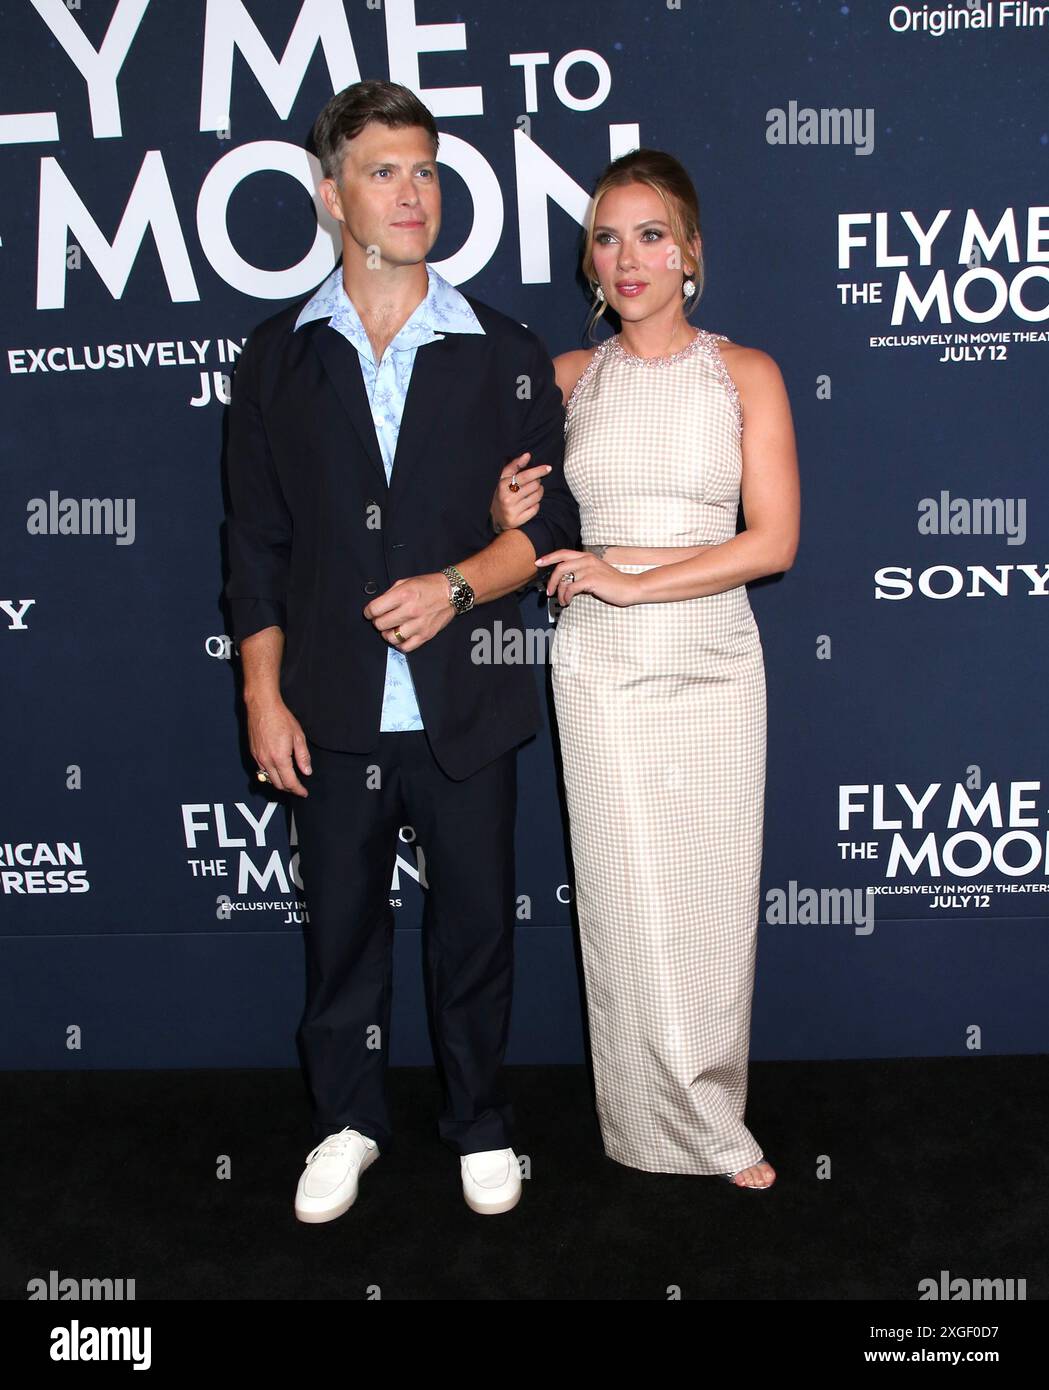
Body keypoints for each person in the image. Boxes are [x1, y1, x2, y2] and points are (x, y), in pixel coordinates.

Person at [223, 80, 579, 1222]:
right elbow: (256, 545)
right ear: (331, 195)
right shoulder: (277, 356)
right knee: (340, 938)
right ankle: (345, 1119)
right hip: (329, 706)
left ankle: (479, 1121)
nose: (412, 190)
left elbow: (553, 527)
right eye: (383, 171)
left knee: (475, 929)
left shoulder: (504, 349)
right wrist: (260, 697)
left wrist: (457, 582)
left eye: (424, 168)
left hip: (465, 701)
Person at [491, 149, 799, 1188]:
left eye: (651, 235)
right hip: (603, 670)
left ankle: (713, 1111)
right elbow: (518, 526)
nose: (628, 259)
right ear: (590, 258)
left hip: (713, 658)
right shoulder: (568, 379)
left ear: (691, 253)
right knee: (625, 900)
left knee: (709, 893)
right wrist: (509, 518)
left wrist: (631, 575)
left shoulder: (743, 372)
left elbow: (772, 542)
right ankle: (646, 1122)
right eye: (608, 237)